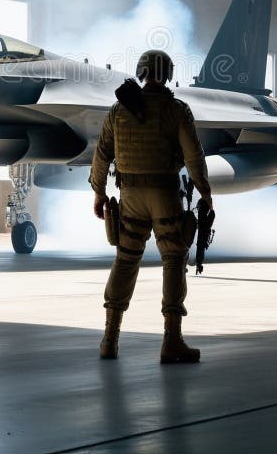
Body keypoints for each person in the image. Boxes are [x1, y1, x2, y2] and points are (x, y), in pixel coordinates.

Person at [90, 49, 213, 363]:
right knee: (173, 258)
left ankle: (109, 340)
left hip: (130, 196)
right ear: (168, 74)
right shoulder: (177, 110)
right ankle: (172, 341)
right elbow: (194, 157)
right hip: (164, 193)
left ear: (141, 71)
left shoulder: (118, 110)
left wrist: (99, 194)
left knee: (126, 258)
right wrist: (205, 192)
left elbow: (101, 155)